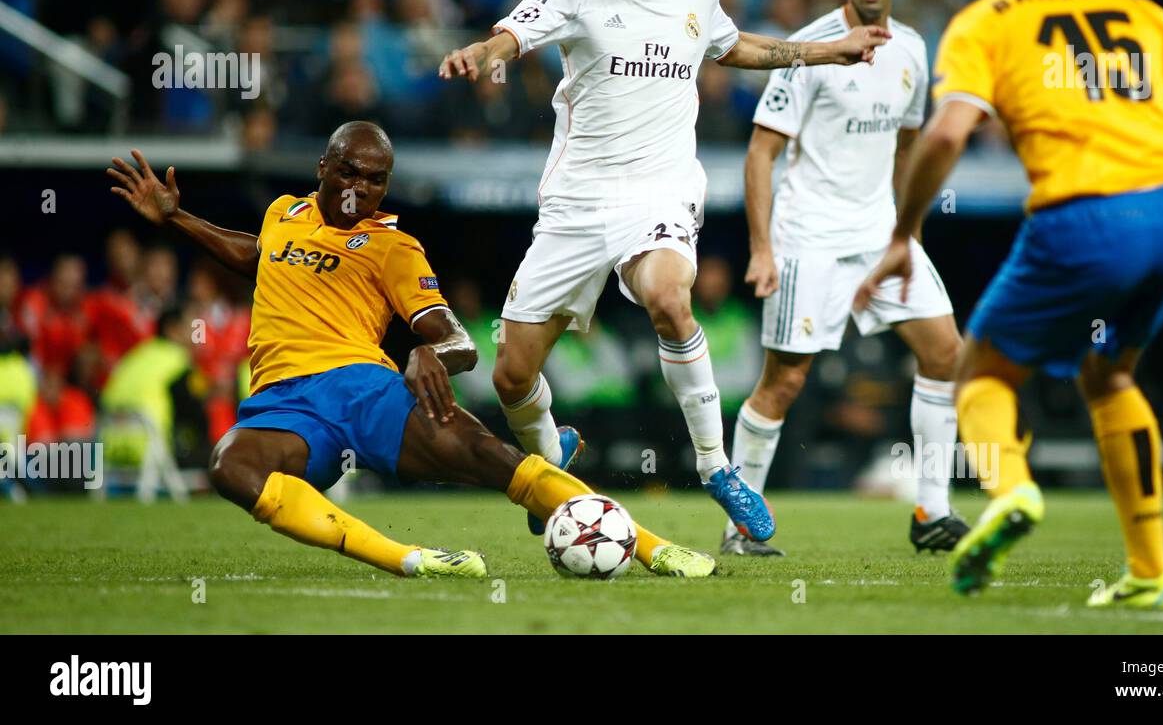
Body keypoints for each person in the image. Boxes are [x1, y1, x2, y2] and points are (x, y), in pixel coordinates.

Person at [439, 0, 889, 542]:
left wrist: (829, 52)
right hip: (577, 201)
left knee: (671, 300)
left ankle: (716, 469)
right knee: (511, 374)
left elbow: (736, 48)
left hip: (661, 189)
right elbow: (513, 36)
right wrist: (482, 51)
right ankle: (551, 457)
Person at [862, 0, 1163, 609]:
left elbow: (948, 133)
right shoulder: (1140, 9)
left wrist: (902, 234)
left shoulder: (985, 19)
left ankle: (1013, 491)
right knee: (1110, 376)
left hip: (1086, 216)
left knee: (979, 374)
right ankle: (1152, 572)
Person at [107, 124, 716, 579]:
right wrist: (177, 218)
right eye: (349, 172)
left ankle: (654, 547)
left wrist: (432, 355)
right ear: (323, 167)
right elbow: (257, 255)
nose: (360, 188)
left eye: (375, 179)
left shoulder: (394, 247)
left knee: (497, 461)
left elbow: (457, 339)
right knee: (231, 468)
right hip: (284, 405)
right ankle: (411, 559)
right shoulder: (282, 214)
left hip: (365, 391)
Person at [728, 0, 966, 557]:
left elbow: (908, 150)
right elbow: (760, 154)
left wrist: (908, 236)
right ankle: (740, 527)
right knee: (784, 383)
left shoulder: (912, 48)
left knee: (946, 353)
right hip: (809, 236)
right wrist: (762, 248)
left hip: (880, 234)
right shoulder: (807, 49)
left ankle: (932, 511)